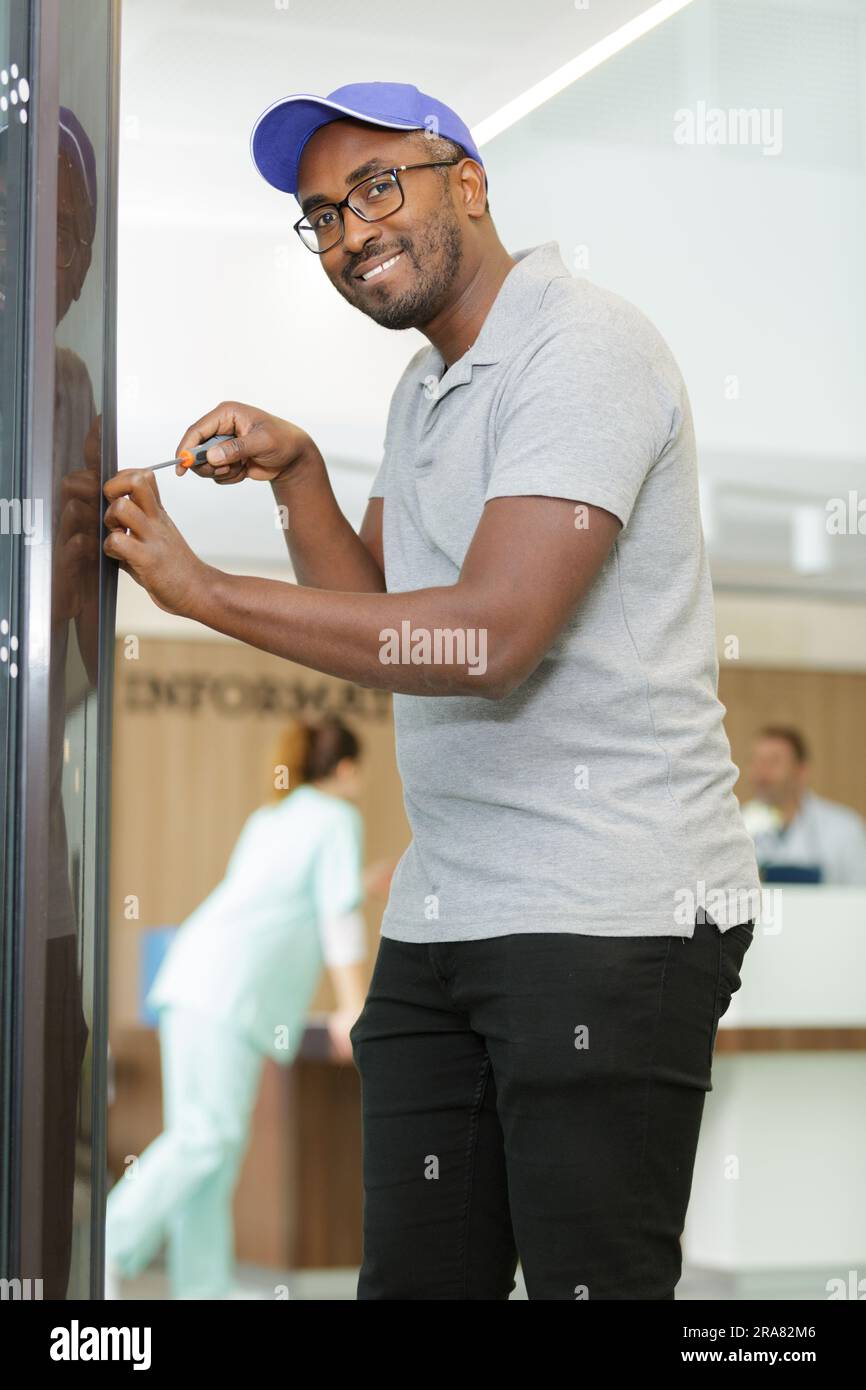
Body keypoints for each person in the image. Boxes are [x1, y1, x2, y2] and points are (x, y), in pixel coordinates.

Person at [102, 82, 762, 1300]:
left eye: (373, 187)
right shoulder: (421, 391)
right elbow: (384, 615)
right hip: (446, 917)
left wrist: (203, 596)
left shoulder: (582, 344)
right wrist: (299, 472)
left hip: (607, 909)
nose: (348, 233)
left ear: (465, 180)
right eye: (320, 217)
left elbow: (487, 637)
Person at [105, 715, 371, 1299]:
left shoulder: (271, 818)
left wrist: (362, 884)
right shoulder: (337, 819)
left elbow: (290, 903)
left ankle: (202, 1287)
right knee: (208, 1137)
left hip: (195, 982)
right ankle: (105, 1245)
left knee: (211, 1147)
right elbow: (338, 919)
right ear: (347, 769)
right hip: (226, 993)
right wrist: (354, 1007)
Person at [742, 725, 866, 885]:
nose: (761, 772)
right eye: (756, 761)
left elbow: (860, 897)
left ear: (801, 770)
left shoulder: (844, 828)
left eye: (773, 762)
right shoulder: (735, 826)